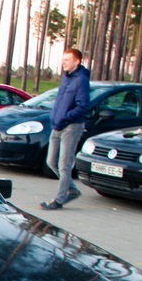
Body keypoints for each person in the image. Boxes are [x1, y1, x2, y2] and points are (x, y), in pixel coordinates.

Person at [41, 48, 90, 210]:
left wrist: (65, 118)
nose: (64, 63)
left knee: (64, 165)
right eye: (63, 60)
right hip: (57, 126)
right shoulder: (66, 78)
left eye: (67, 60)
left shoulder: (81, 80)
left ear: (76, 61)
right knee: (51, 162)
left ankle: (59, 199)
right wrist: (56, 118)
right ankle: (72, 190)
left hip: (71, 127)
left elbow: (83, 106)